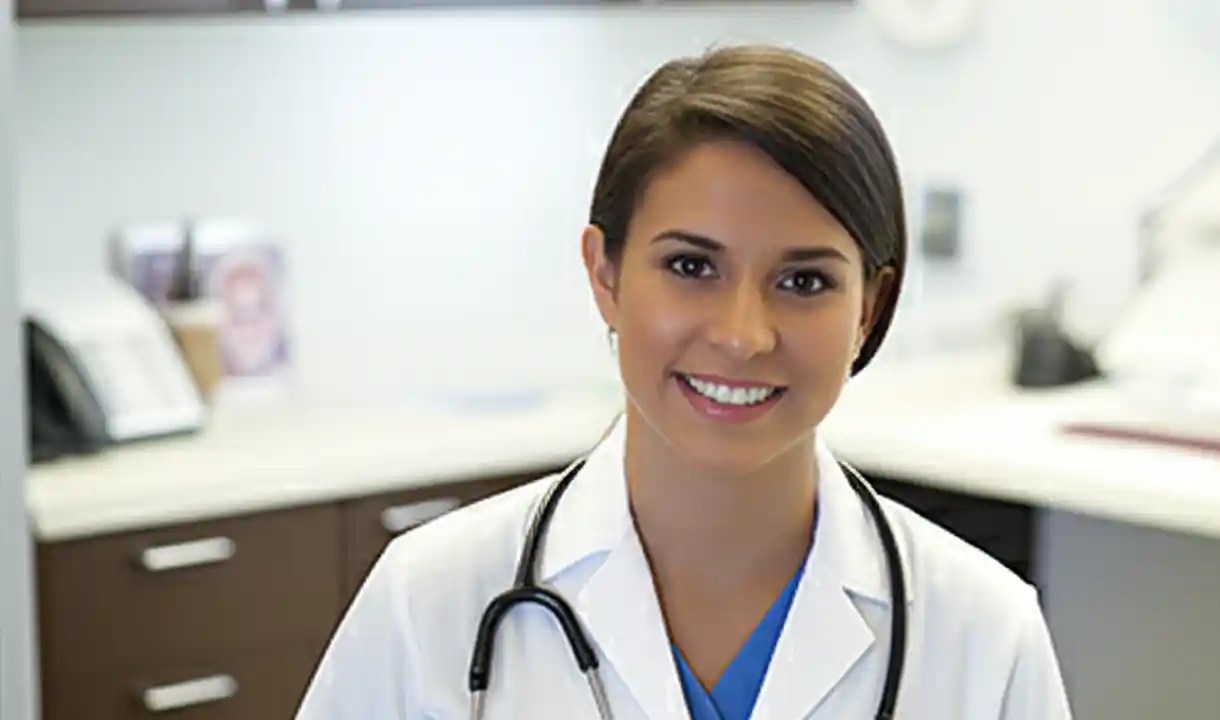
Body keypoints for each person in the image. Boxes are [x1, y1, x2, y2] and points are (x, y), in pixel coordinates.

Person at [295, 44, 1072, 720]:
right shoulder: (428, 603)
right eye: (691, 267)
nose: (742, 335)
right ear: (604, 273)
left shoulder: (982, 634)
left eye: (803, 282)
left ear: (870, 307)